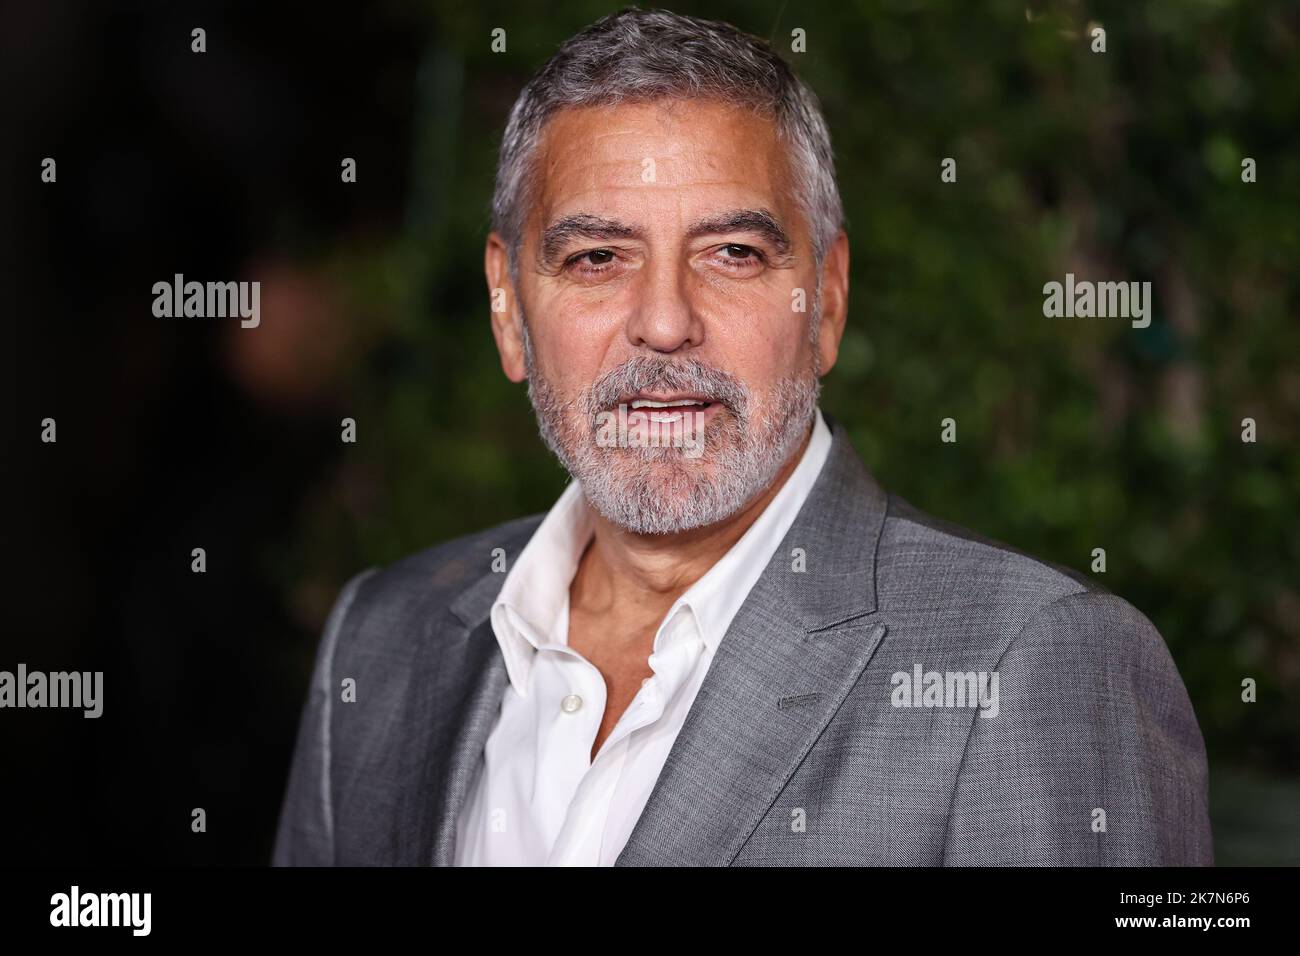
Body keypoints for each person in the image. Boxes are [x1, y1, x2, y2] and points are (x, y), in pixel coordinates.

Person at [272, 8, 1212, 866]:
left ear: (828, 300)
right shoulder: (379, 639)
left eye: (733, 254)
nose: (667, 322)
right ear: (510, 307)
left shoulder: (1034, 667)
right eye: (598, 257)